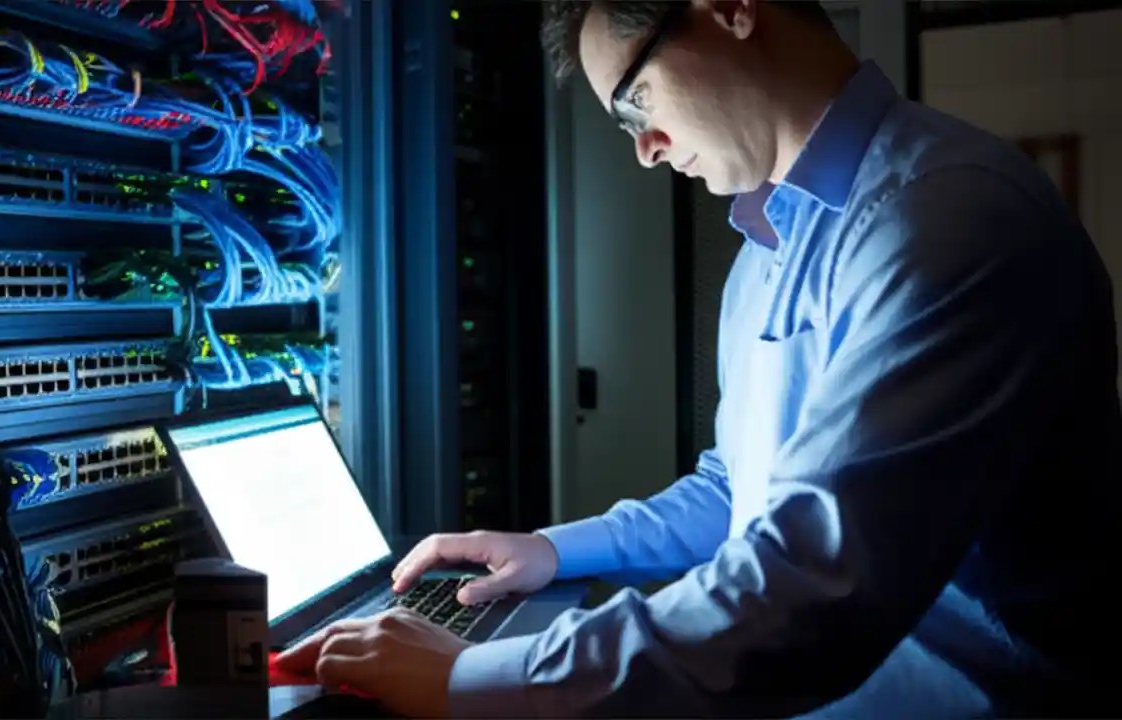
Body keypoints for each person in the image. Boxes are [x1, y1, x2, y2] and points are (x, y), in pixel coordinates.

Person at [277, 0, 1122, 716]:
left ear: (729, 9)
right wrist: (555, 551)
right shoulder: (766, 252)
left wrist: (470, 677)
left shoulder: (946, 218)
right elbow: (741, 489)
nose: (645, 148)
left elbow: (813, 584)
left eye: (634, 102)